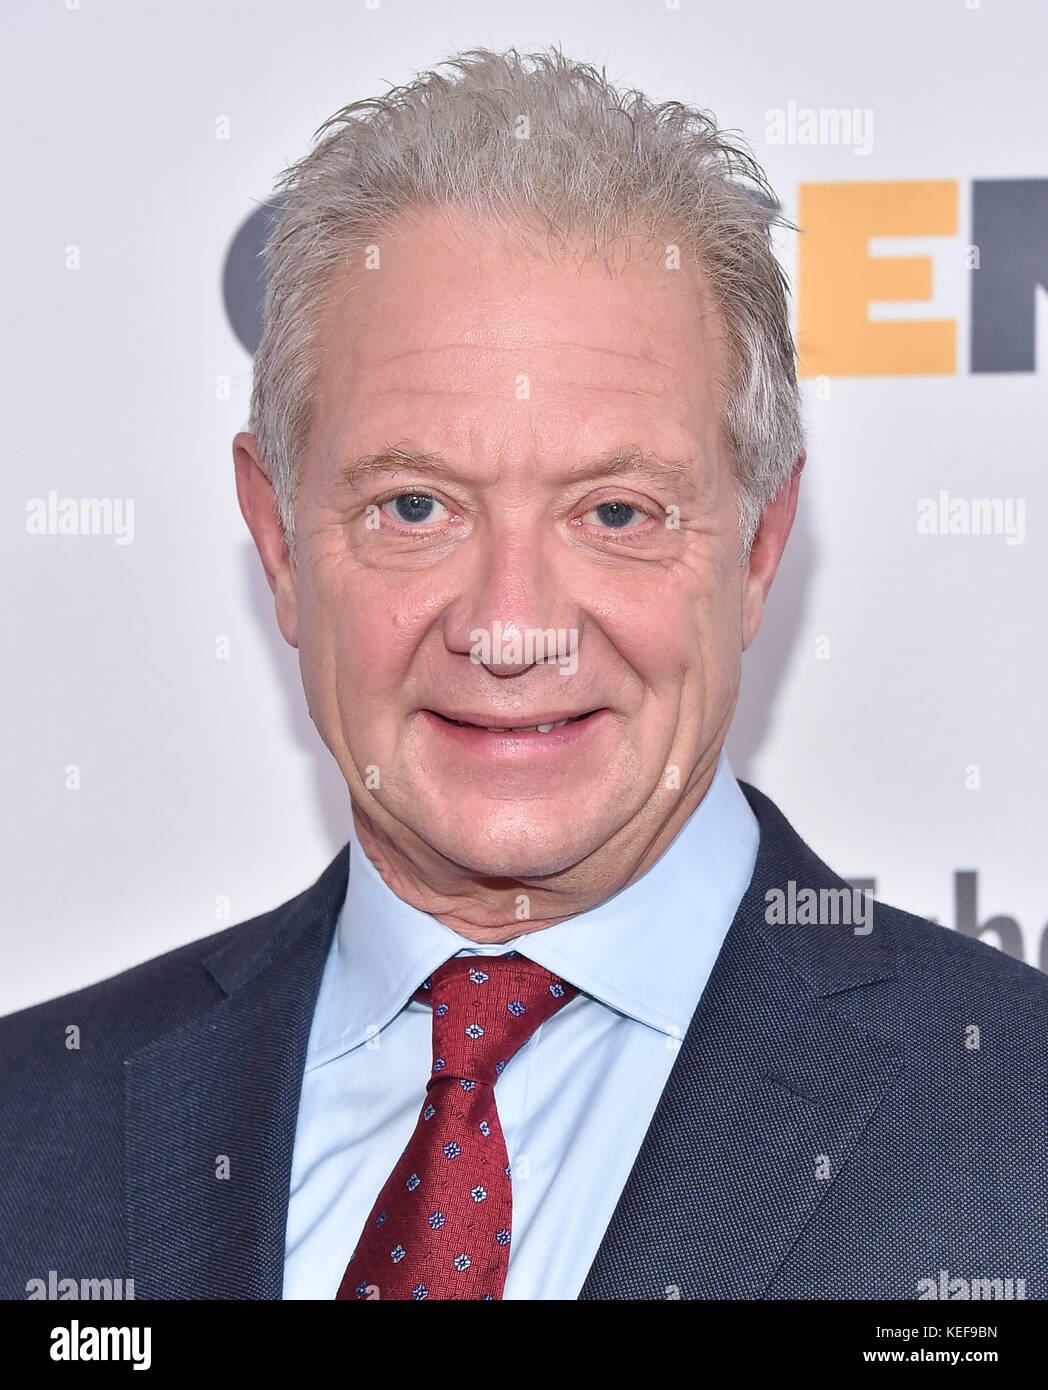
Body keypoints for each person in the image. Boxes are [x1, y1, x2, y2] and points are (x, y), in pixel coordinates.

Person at [3, 46, 1046, 1302]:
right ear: (278, 540)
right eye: (415, 505)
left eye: (614, 513)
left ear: (760, 546)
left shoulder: (1014, 1123)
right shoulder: (31, 1128)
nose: (510, 629)